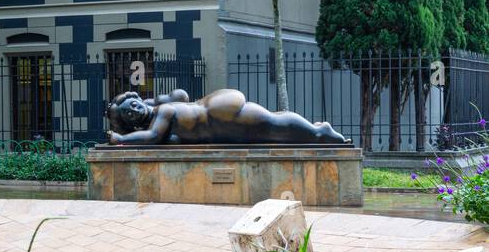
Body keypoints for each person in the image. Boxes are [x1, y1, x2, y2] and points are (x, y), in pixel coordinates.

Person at [104, 88, 348, 145]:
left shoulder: (163, 112)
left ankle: (319, 132)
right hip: (218, 112)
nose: (134, 110)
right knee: (271, 125)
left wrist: (120, 140)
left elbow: (152, 137)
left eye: (133, 104)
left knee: (271, 126)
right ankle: (315, 130)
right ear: (133, 122)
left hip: (220, 114)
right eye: (129, 114)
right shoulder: (165, 111)